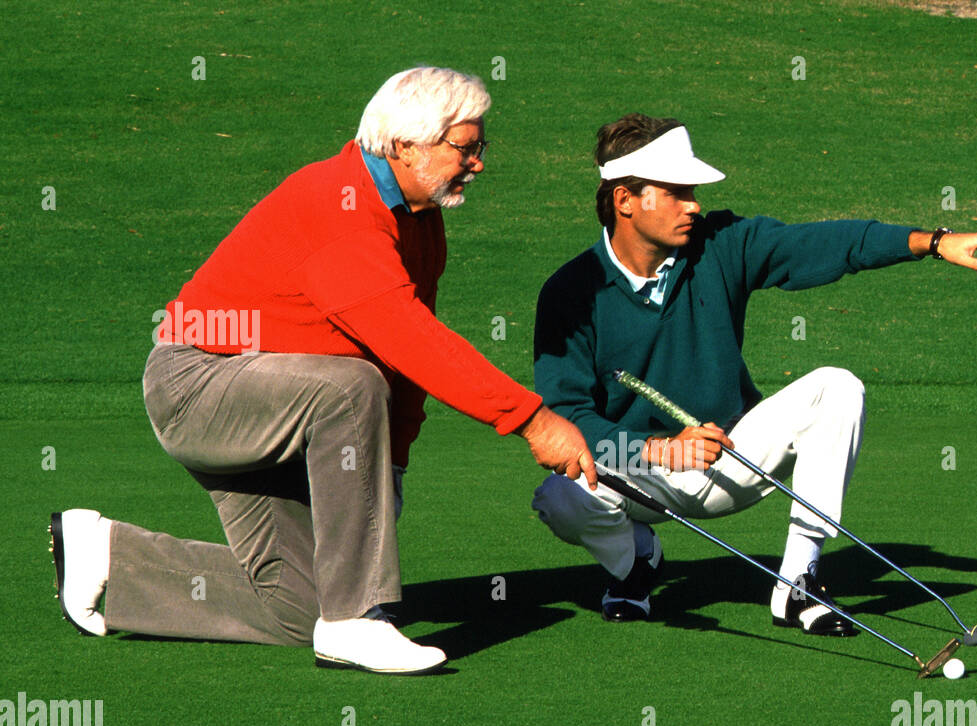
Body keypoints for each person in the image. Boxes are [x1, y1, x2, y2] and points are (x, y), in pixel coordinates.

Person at [49, 66, 595, 674]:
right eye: (465, 148)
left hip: (280, 402)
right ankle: (355, 621)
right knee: (350, 385)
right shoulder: (339, 206)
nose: (477, 163)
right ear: (405, 145)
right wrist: (531, 420)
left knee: (296, 604)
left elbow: (406, 359)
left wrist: (390, 465)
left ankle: (108, 557)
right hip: (197, 386)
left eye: (479, 148)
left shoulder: (420, 219)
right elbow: (411, 342)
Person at [531, 113, 977, 633]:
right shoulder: (570, 292)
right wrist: (658, 448)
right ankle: (634, 564)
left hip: (732, 455)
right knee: (559, 497)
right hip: (638, 472)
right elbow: (566, 417)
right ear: (625, 200)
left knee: (837, 387)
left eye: (691, 190)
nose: (693, 204)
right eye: (675, 192)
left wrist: (934, 242)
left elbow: (823, 244)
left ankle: (799, 581)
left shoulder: (721, 243)